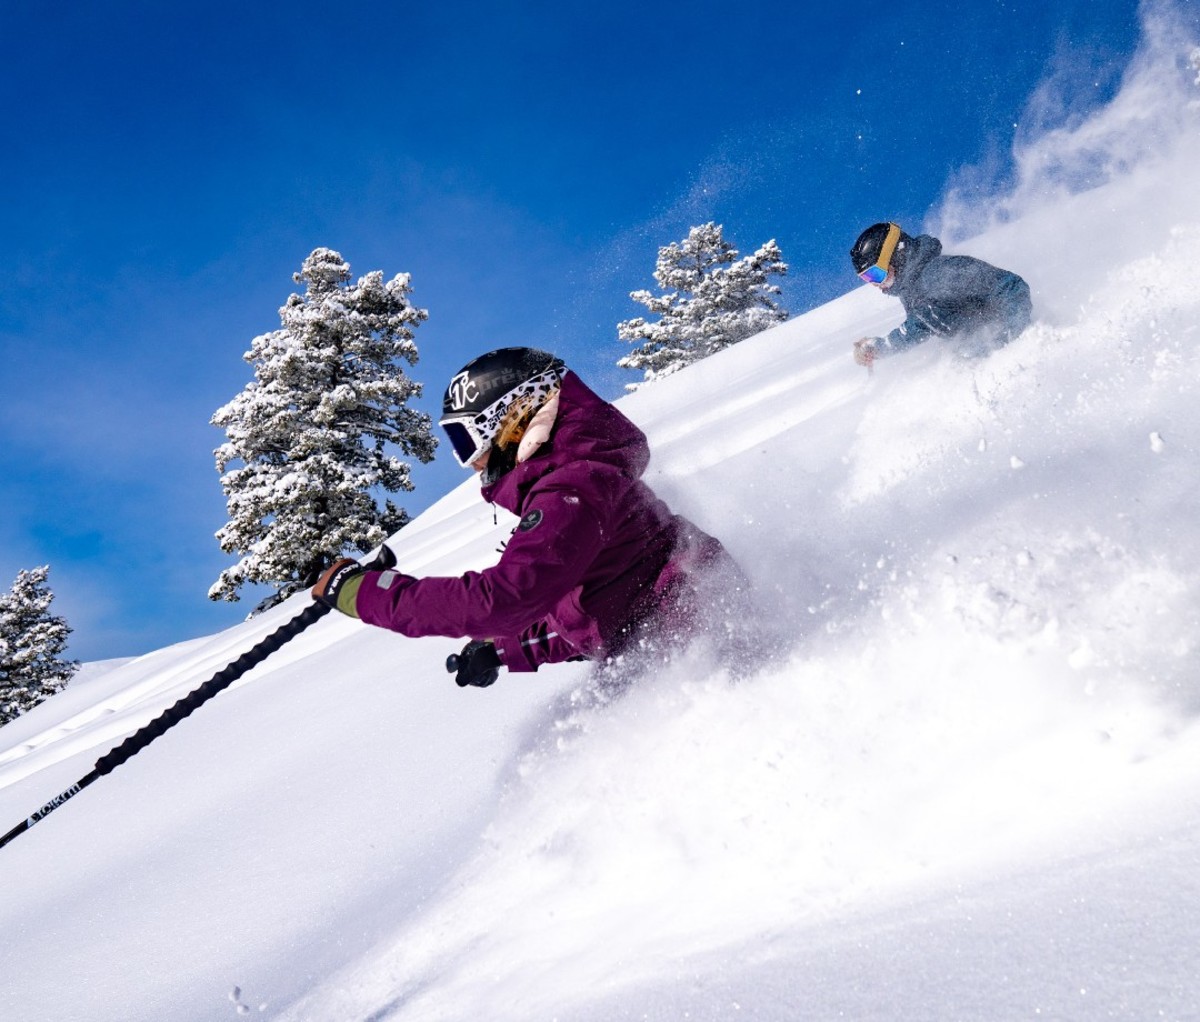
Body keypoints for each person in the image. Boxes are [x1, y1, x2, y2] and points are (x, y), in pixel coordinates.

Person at [311, 346, 749, 687]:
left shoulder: (571, 491)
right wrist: (503, 649)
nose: (471, 463)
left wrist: (364, 593)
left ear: (511, 418)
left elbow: (503, 600)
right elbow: (603, 604)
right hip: (677, 648)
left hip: (704, 658)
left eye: (467, 440)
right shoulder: (580, 477)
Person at [849, 222, 1031, 368]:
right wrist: (879, 348)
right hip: (986, 357)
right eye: (867, 279)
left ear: (898, 256)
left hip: (1017, 349)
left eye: (876, 274)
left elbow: (1012, 286)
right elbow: (917, 328)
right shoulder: (912, 293)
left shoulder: (941, 271)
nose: (876, 285)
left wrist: (1004, 337)